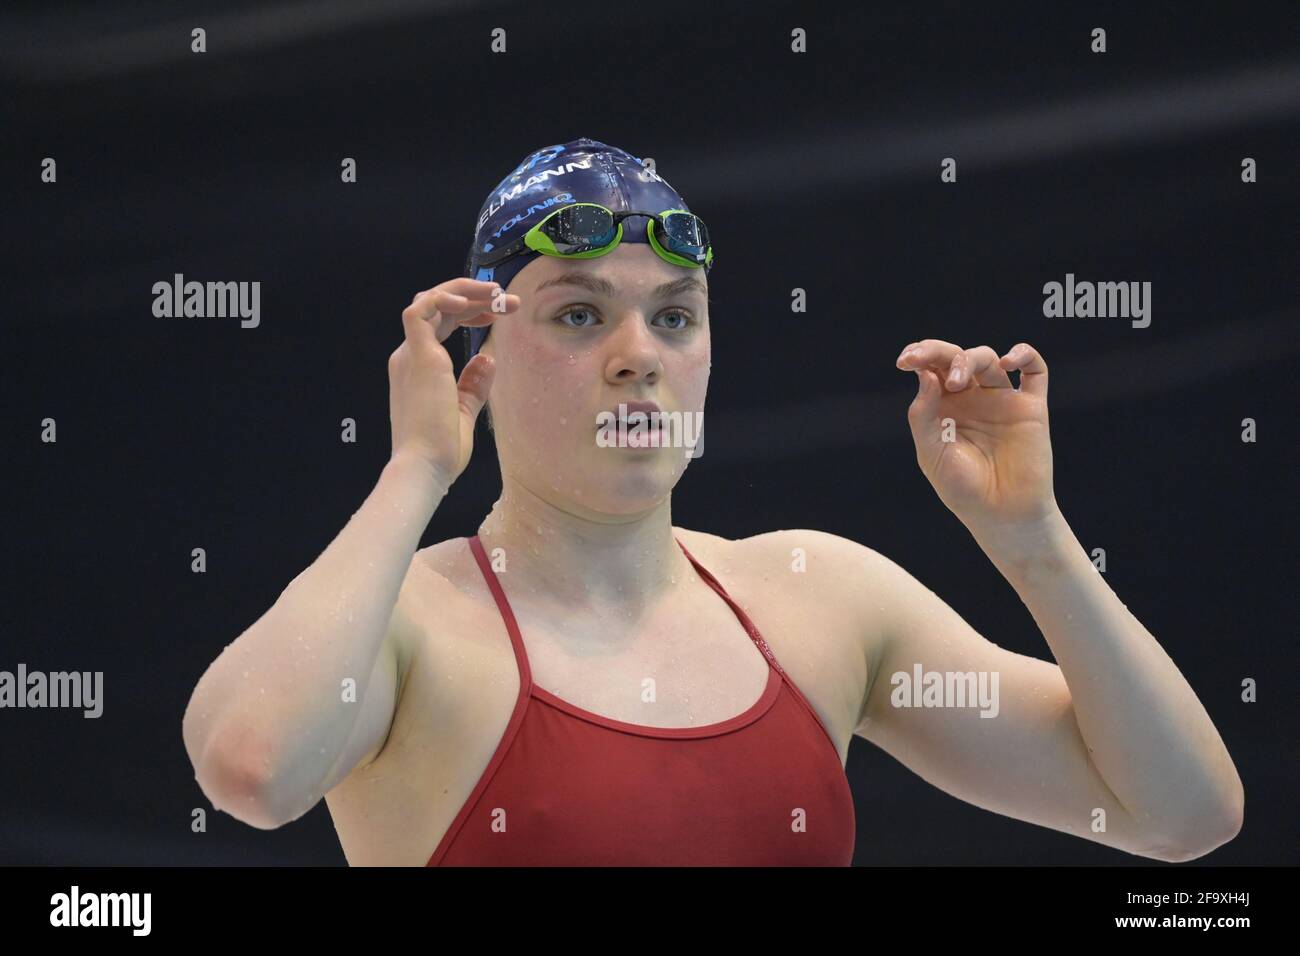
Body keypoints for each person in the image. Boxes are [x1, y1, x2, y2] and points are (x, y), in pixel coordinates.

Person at [182, 138, 1244, 866]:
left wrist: (1035, 545)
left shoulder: (821, 597)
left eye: (675, 317)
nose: (638, 357)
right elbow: (253, 767)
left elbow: (1181, 813)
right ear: (482, 351)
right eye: (580, 313)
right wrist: (415, 469)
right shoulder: (407, 624)